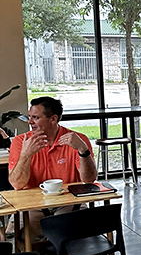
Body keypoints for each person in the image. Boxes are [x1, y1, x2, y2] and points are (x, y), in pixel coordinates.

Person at [8, 97, 97, 242]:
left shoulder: (77, 139)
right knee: (25, 237)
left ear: (53, 119)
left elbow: (89, 180)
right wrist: (25, 155)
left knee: (70, 235)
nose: (30, 122)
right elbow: (17, 184)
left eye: (35, 118)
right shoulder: (20, 142)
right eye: (30, 117)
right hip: (33, 206)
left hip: (68, 203)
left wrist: (83, 150)